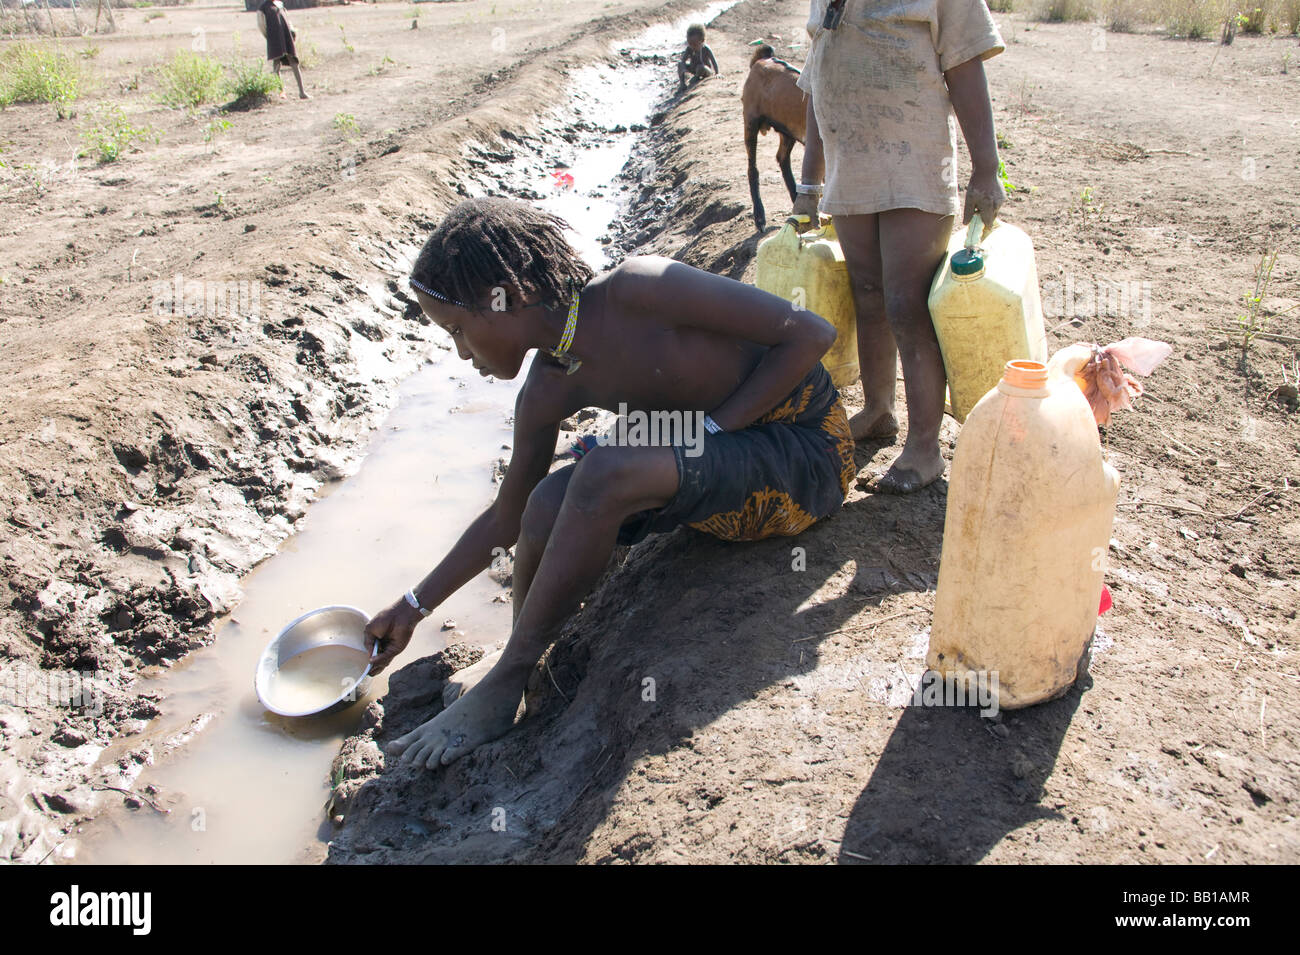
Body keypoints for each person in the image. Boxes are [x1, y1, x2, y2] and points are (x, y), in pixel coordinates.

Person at [364, 198, 855, 770]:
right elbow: (508, 516)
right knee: (547, 500)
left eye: (458, 330)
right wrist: (414, 605)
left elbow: (811, 334)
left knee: (604, 467)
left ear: (509, 296)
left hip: (804, 461)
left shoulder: (640, 290)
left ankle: (508, 679)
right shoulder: (547, 387)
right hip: (723, 496)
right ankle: (520, 654)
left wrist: (713, 431)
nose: (460, 353)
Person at [791, 0, 1005, 493]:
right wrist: (809, 185)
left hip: (917, 168)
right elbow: (818, 83)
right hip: (852, 173)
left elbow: (966, 66)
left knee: (906, 304)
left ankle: (925, 448)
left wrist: (987, 170)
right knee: (867, 294)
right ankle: (879, 409)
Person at [257, 0, 309, 100]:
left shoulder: (280, 5)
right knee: (276, 64)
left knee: (293, 61)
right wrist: (269, 37)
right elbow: (261, 25)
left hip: (286, 36)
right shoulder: (263, 8)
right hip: (274, 38)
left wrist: (292, 30)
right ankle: (281, 92)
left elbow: (287, 19)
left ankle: (302, 92)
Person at [677, 23, 722, 91]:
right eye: (690, 44)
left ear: (702, 41)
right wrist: (683, 68)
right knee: (680, 64)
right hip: (694, 69)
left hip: (704, 70)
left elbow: (713, 61)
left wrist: (717, 73)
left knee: (700, 67)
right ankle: (682, 84)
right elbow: (683, 60)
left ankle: (696, 77)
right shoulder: (689, 49)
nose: (692, 46)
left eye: (695, 44)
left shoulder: (706, 49)